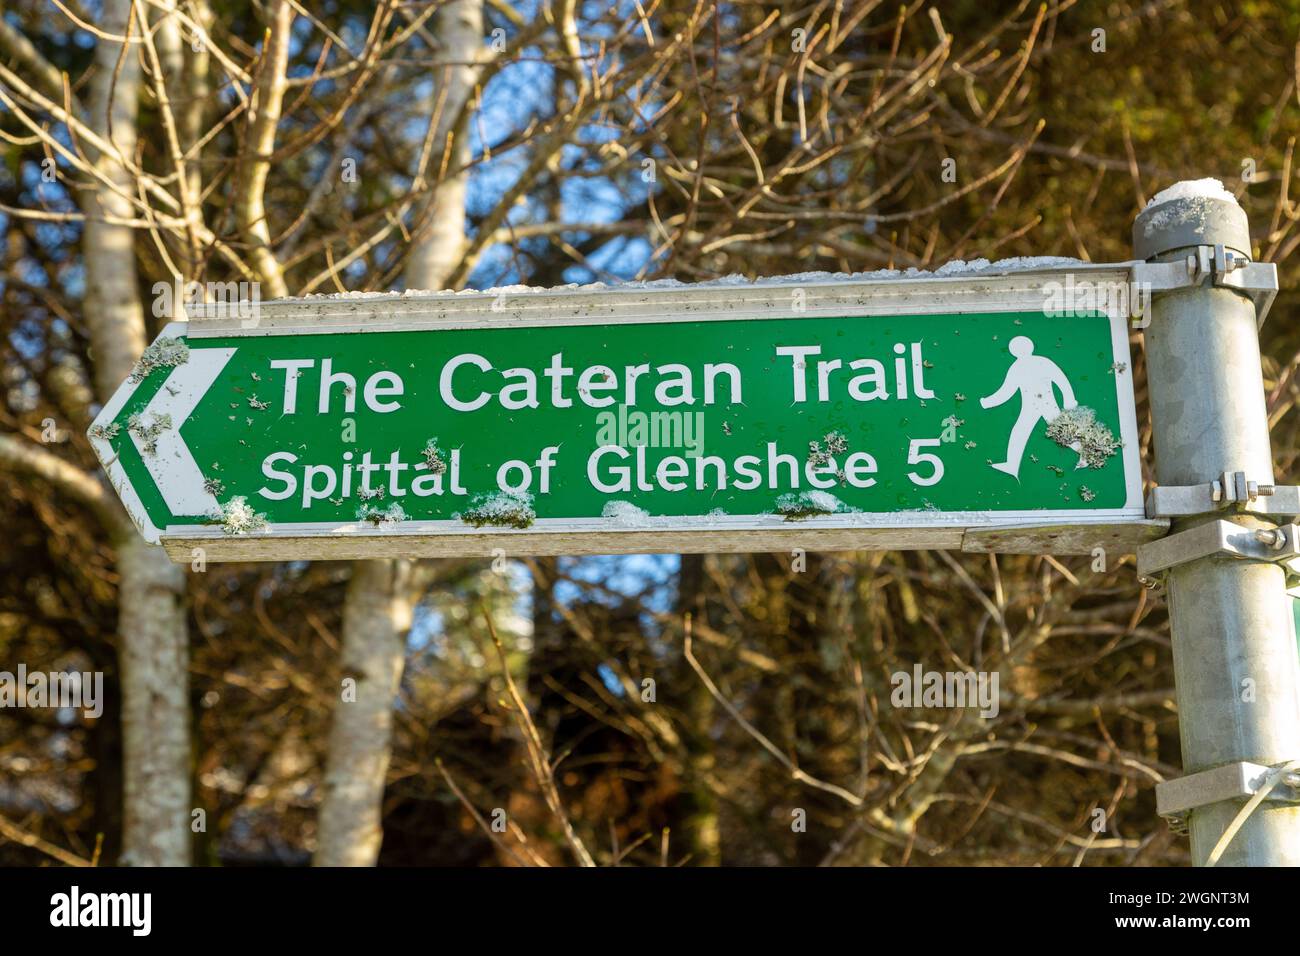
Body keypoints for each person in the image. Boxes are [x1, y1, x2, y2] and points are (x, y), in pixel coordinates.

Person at [980, 336, 1078, 479]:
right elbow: (1007, 391)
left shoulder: (1026, 365)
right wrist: (1069, 399)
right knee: (1021, 430)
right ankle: (1012, 465)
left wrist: (986, 402)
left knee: (1059, 431)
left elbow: (1006, 392)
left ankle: (1085, 452)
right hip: (1032, 406)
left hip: (1045, 403)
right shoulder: (1034, 363)